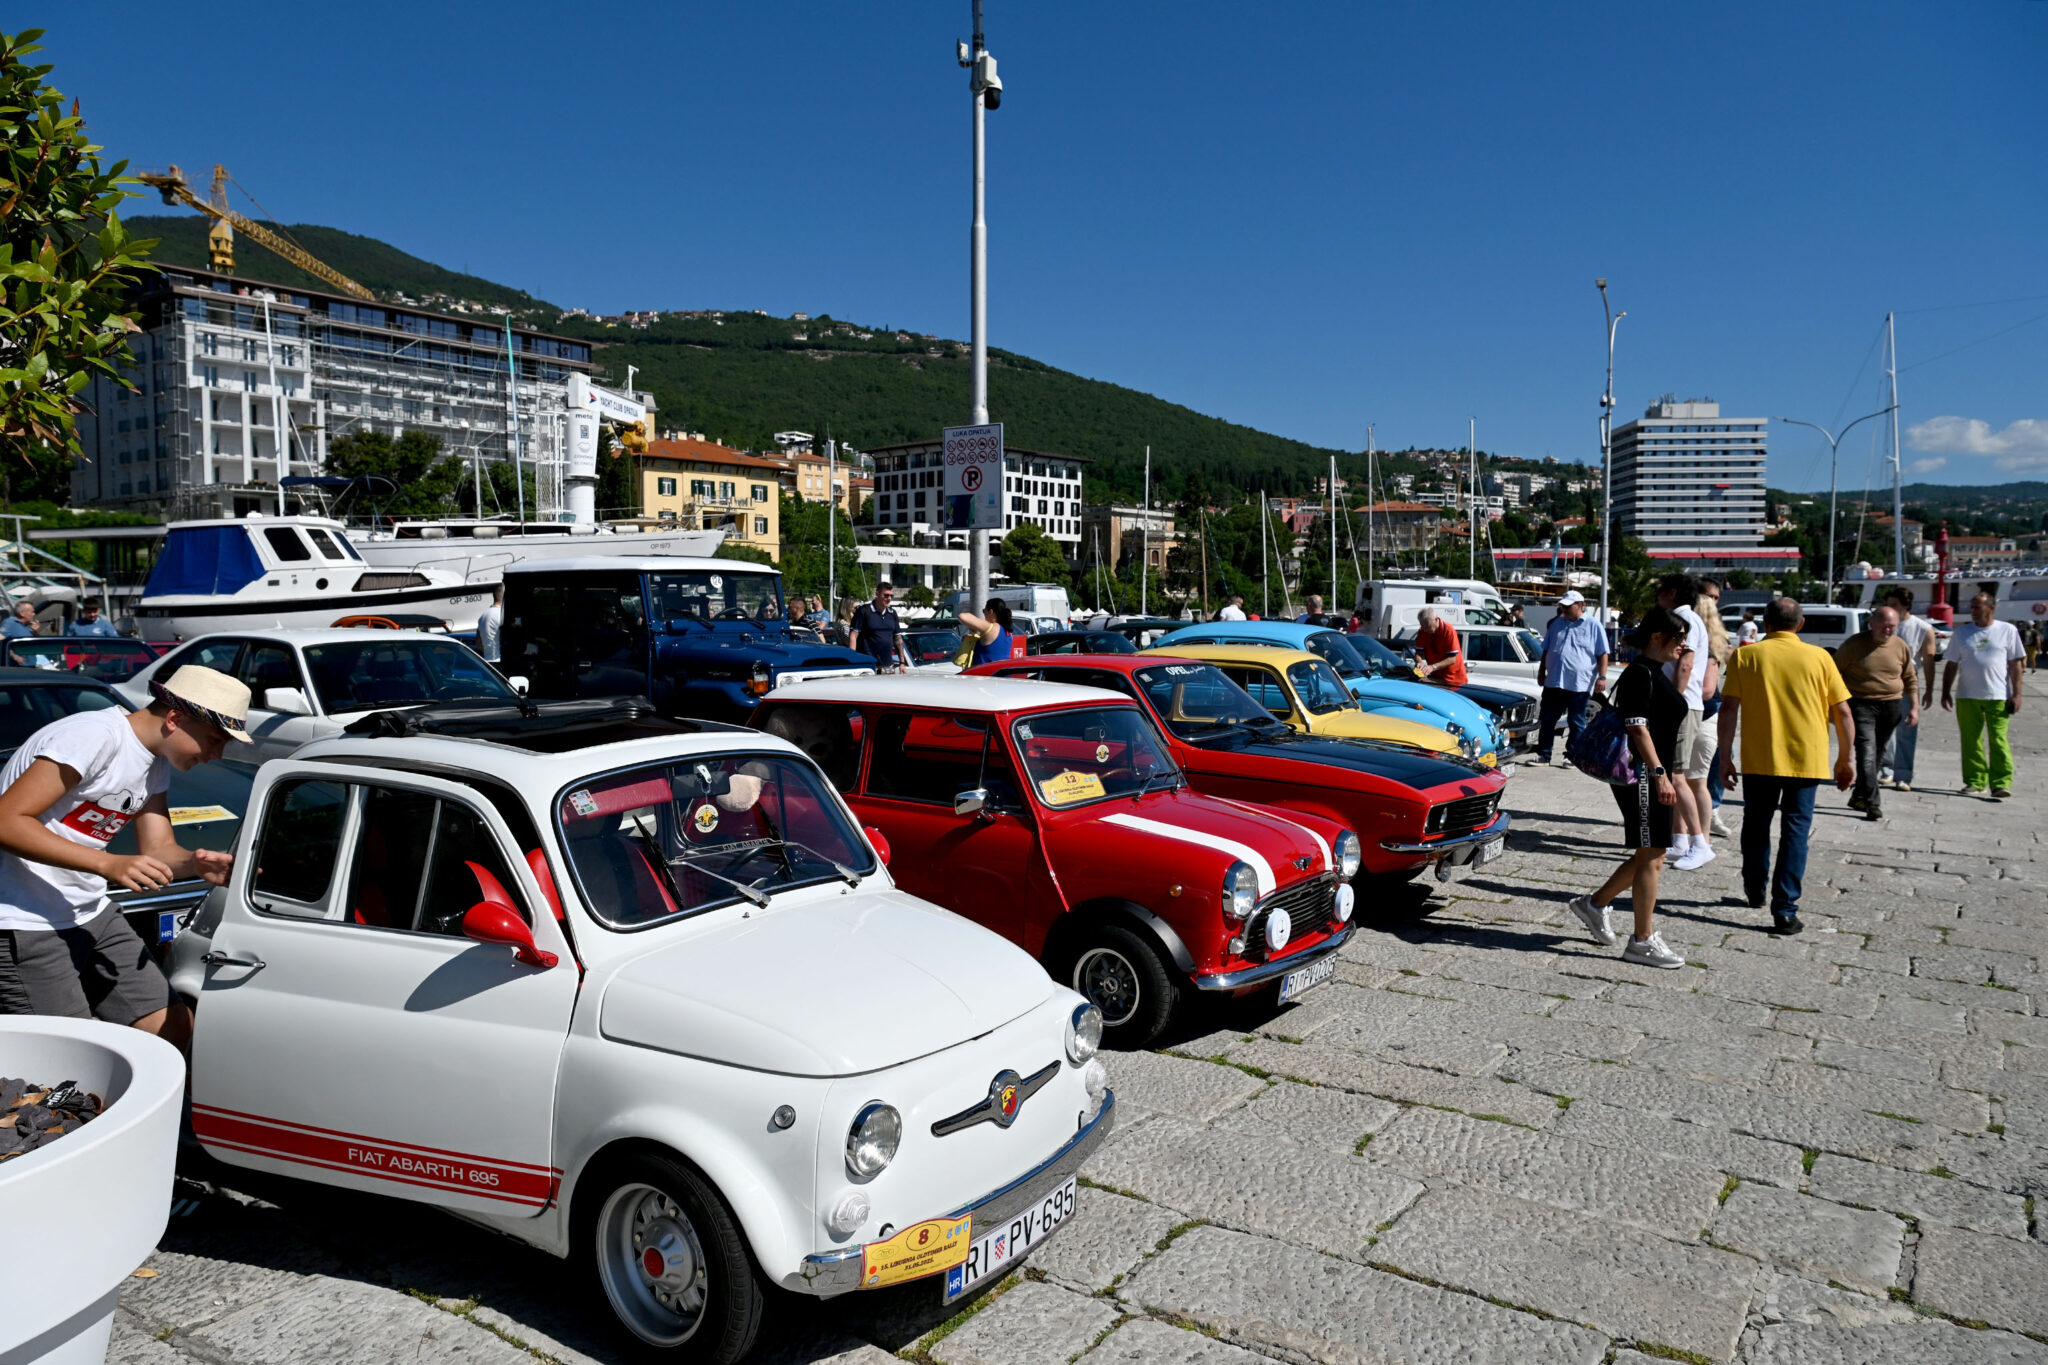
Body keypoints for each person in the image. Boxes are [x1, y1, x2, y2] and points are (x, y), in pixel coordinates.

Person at [0, 666, 248, 1042]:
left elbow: (159, 849)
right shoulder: (93, 736)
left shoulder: (155, 761)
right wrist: (108, 863)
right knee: (71, 1065)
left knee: (174, 1027)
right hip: (26, 923)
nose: (215, 754)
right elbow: (6, 821)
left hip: (90, 912)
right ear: (175, 719)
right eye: (214, 739)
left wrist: (195, 864)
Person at [1717, 598, 1854, 935]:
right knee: (1795, 832)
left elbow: (1729, 709)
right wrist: (1846, 758)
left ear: (1765, 623)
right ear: (1801, 624)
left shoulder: (1746, 656)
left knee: (1756, 824)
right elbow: (1845, 713)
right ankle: (1785, 909)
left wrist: (1724, 756)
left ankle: (1754, 887)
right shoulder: (1821, 657)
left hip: (1760, 757)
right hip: (1807, 759)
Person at [1567, 607, 1689, 969]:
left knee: (1652, 855)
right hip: (1643, 777)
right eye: (1678, 638)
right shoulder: (1639, 674)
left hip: (1651, 775)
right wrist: (1660, 774)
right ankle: (1642, 940)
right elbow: (1637, 728)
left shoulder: (1655, 672)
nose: (1683, 645)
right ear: (1657, 637)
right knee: (1653, 856)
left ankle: (1595, 904)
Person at [1653, 573, 1713, 869]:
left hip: (1683, 705)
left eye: (1661, 591)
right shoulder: (1690, 618)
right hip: (1687, 704)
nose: (1657, 596)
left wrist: (1672, 701)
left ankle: (1700, 843)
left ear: (1672, 592)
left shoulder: (1682, 619)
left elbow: (1685, 663)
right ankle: (1680, 838)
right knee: (1675, 774)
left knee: (1677, 776)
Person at [1836, 607, 1917, 821]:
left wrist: (1915, 707)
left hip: (1891, 706)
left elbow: (1910, 677)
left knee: (1878, 753)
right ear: (1872, 623)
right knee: (1866, 752)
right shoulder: (1853, 645)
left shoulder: (1900, 646)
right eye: (1884, 626)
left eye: (1893, 627)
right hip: (1861, 705)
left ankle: (1859, 796)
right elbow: (1834, 673)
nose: (1888, 630)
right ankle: (1873, 803)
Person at [1942, 593, 2025, 798]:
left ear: (1991, 608)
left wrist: (2017, 694)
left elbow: (2016, 664)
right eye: (1972, 607)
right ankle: (1975, 780)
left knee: (1998, 740)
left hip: (1997, 695)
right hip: (1967, 695)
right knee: (1971, 740)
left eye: (1977, 607)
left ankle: (2001, 782)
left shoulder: (2007, 630)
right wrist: (1945, 692)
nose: (1973, 611)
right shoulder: (1962, 633)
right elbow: (1951, 664)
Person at [1533, 590, 1609, 766]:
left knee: (1576, 721)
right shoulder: (1556, 624)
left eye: (1568, 606)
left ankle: (1572, 756)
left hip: (1579, 683)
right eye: (1563, 606)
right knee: (1547, 719)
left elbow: (1603, 654)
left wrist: (1602, 677)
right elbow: (1546, 650)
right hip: (1554, 681)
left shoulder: (1593, 625)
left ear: (1580, 606)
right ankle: (1544, 754)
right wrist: (1541, 671)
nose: (1564, 609)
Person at [1878, 587, 1938, 791]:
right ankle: (1887, 769)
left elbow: (1929, 660)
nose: (1890, 609)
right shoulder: (1883, 625)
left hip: (1907, 683)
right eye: (1888, 604)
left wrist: (1930, 689)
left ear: (1905, 605)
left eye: (1894, 605)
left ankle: (1903, 775)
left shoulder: (1922, 628)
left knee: (1906, 730)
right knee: (1883, 729)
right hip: (1883, 682)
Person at [1697, 578, 1735, 839]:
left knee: (1721, 757)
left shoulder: (1719, 629)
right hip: (1688, 701)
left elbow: (1728, 664)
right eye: (1709, 596)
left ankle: (1712, 811)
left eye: (1717, 597)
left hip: (1714, 701)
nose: (1713, 601)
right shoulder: (1683, 624)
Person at [849, 582, 906, 672]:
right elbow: (853, 635)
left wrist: (902, 663)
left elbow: (898, 639)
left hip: (888, 667)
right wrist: (852, 659)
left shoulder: (892, 613)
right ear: (877, 594)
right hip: (868, 666)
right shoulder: (864, 611)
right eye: (886, 595)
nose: (889, 598)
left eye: (891, 596)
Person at [1413, 606, 1467, 685]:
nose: (1425, 629)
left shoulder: (1448, 630)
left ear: (1436, 619)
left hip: (1453, 680)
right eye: (1422, 626)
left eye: (1428, 626)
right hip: (1435, 677)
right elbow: (1419, 652)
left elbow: (1452, 659)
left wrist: (1432, 667)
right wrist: (1420, 662)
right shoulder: (1422, 631)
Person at [958, 598, 1016, 665]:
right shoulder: (1008, 632)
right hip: (1001, 673)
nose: (984, 614)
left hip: (985, 674)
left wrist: (975, 626)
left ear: (990, 612)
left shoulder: (991, 628)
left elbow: (962, 616)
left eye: (984, 611)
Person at [475, 584, 504, 663]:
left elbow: (478, 642)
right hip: (500, 662)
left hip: (487, 662)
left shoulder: (483, 616)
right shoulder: (502, 614)